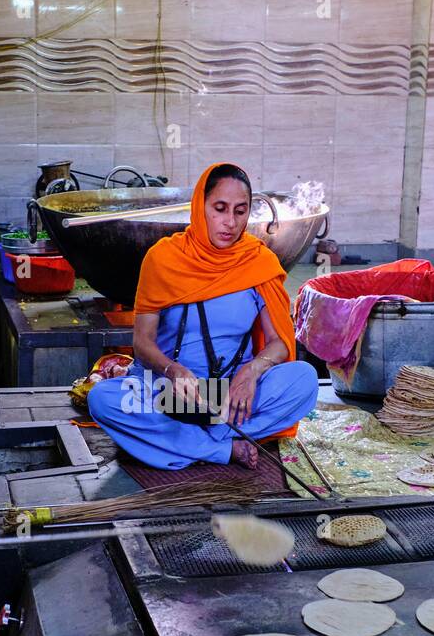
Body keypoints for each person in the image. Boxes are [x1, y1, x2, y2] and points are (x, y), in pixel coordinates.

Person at [88, 162, 319, 469]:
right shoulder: (164, 258)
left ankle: (191, 442)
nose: (230, 222)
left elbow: (278, 342)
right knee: (104, 400)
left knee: (304, 379)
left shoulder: (257, 261)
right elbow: (142, 343)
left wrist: (251, 372)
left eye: (240, 210)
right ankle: (223, 447)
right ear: (201, 206)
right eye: (220, 208)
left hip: (230, 397)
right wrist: (173, 370)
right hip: (168, 392)